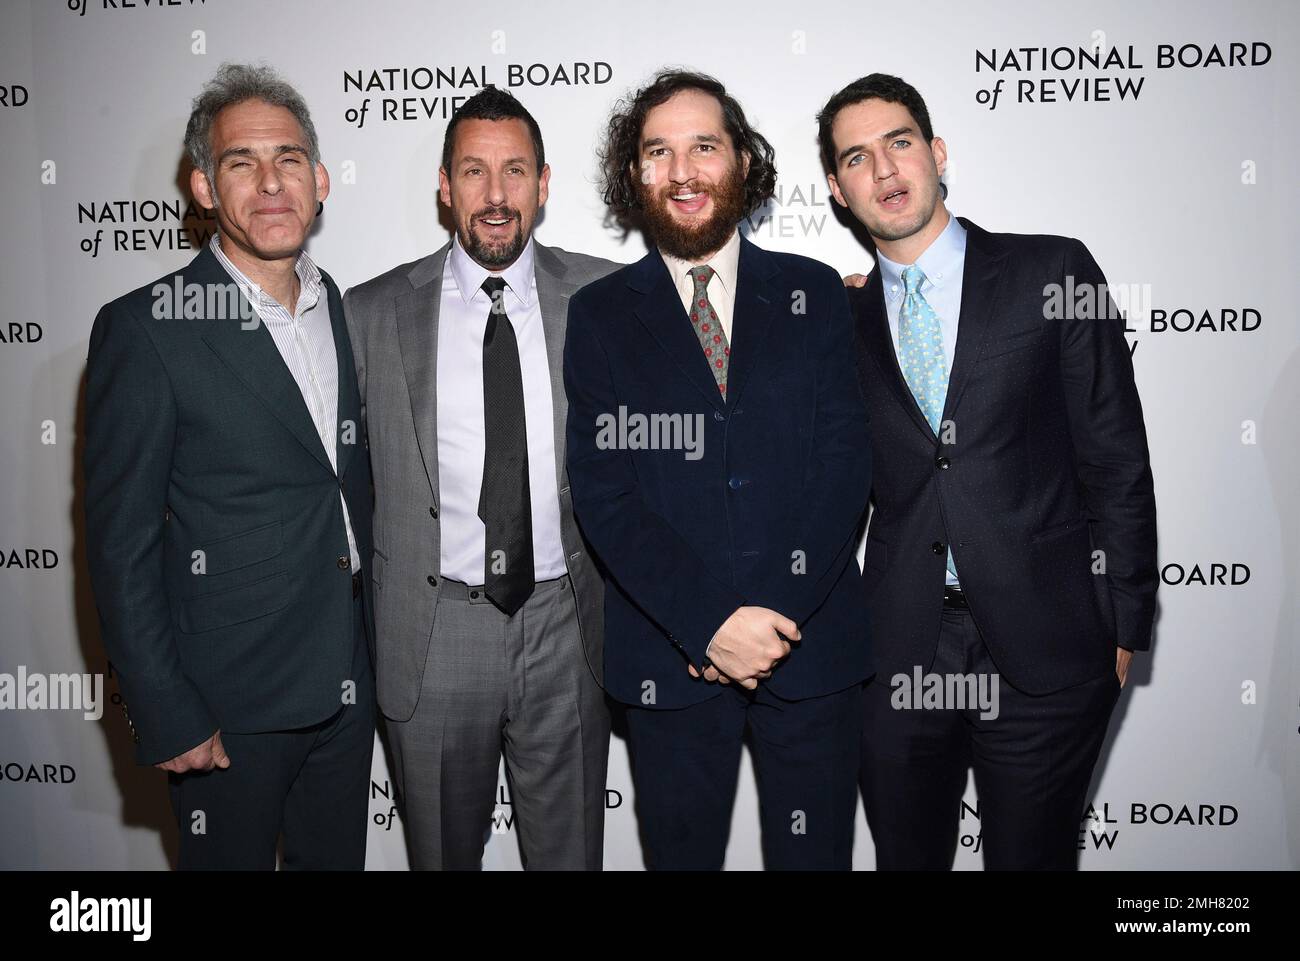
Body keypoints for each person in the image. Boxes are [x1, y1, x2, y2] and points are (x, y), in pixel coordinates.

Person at [818, 72, 1158, 869]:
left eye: (900, 142)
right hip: (899, 652)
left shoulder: (1053, 271)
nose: (885, 169)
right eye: (857, 157)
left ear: (936, 152)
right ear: (837, 189)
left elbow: (1116, 456)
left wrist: (1124, 621)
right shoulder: (838, 320)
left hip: (1049, 649)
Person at [565, 70, 871, 870]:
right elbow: (606, 494)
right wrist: (707, 624)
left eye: (704, 145)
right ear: (634, 175)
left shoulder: (812, 292)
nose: (682, 170)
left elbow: (844, 467)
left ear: (741, 159)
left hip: (809, 650)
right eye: (657, 152)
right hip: (671, 662)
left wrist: (767, 619)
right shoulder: (599, 315)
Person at [84, 63, 375, 869]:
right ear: (205, 188)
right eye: (242, 163)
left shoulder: (338, 305)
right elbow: (119, 545)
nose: (271, 183)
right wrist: (166, 706)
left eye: (288, 160)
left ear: (320, 181)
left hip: (349, 681)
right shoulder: (146, 329)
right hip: (226, 702)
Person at [343, 86, 618, 870]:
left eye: (514, 172)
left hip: (564, 628)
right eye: (473, 173)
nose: (495, 197)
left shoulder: (608, 297)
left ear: (543, 181)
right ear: (444, 184)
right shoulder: (370, 313)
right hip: (432, 638)